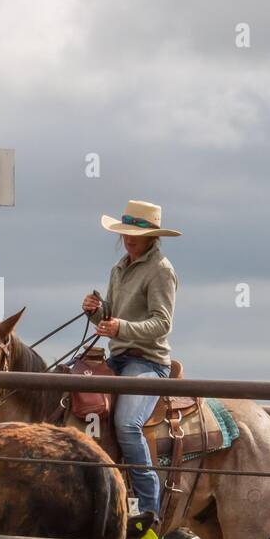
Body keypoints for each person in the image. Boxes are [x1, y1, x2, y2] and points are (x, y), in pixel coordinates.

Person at [82, 200, 180, 521]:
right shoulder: (119, 269)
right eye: (125, 232)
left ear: (153, 236)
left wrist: (120, 327)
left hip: (148, 363)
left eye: (135, 233)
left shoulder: (161, 271)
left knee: (127, 424)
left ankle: (149, 508)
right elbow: (112, 314)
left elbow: (162, 323)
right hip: (118, 359)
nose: (128, 238)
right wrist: (96, 310)